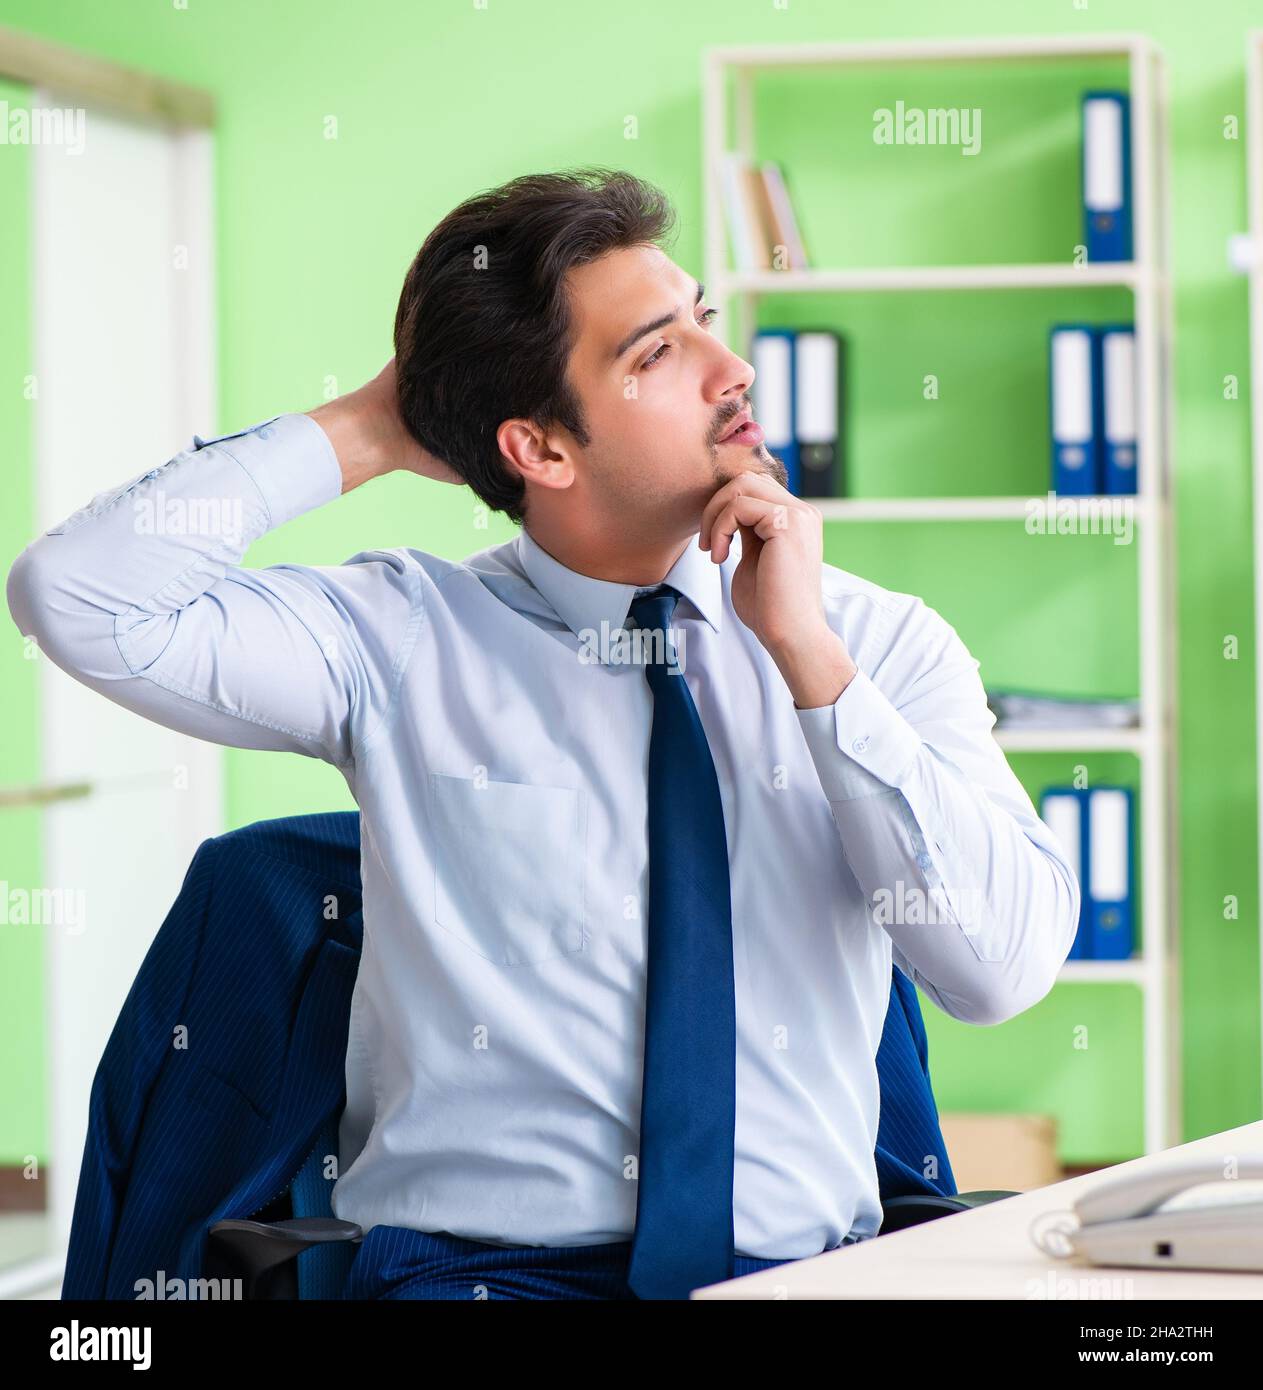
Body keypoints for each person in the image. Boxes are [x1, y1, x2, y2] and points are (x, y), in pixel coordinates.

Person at [6, 167, 1079, 1301]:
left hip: (803, 1272)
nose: (735, 370)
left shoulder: (873, 642)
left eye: (703, 319)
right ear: (541, 450)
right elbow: (78, 596)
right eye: (657, 354)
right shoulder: (403, 637)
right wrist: (373, 425)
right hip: (479, 1277)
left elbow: (1001, 971)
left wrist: (813, 668)